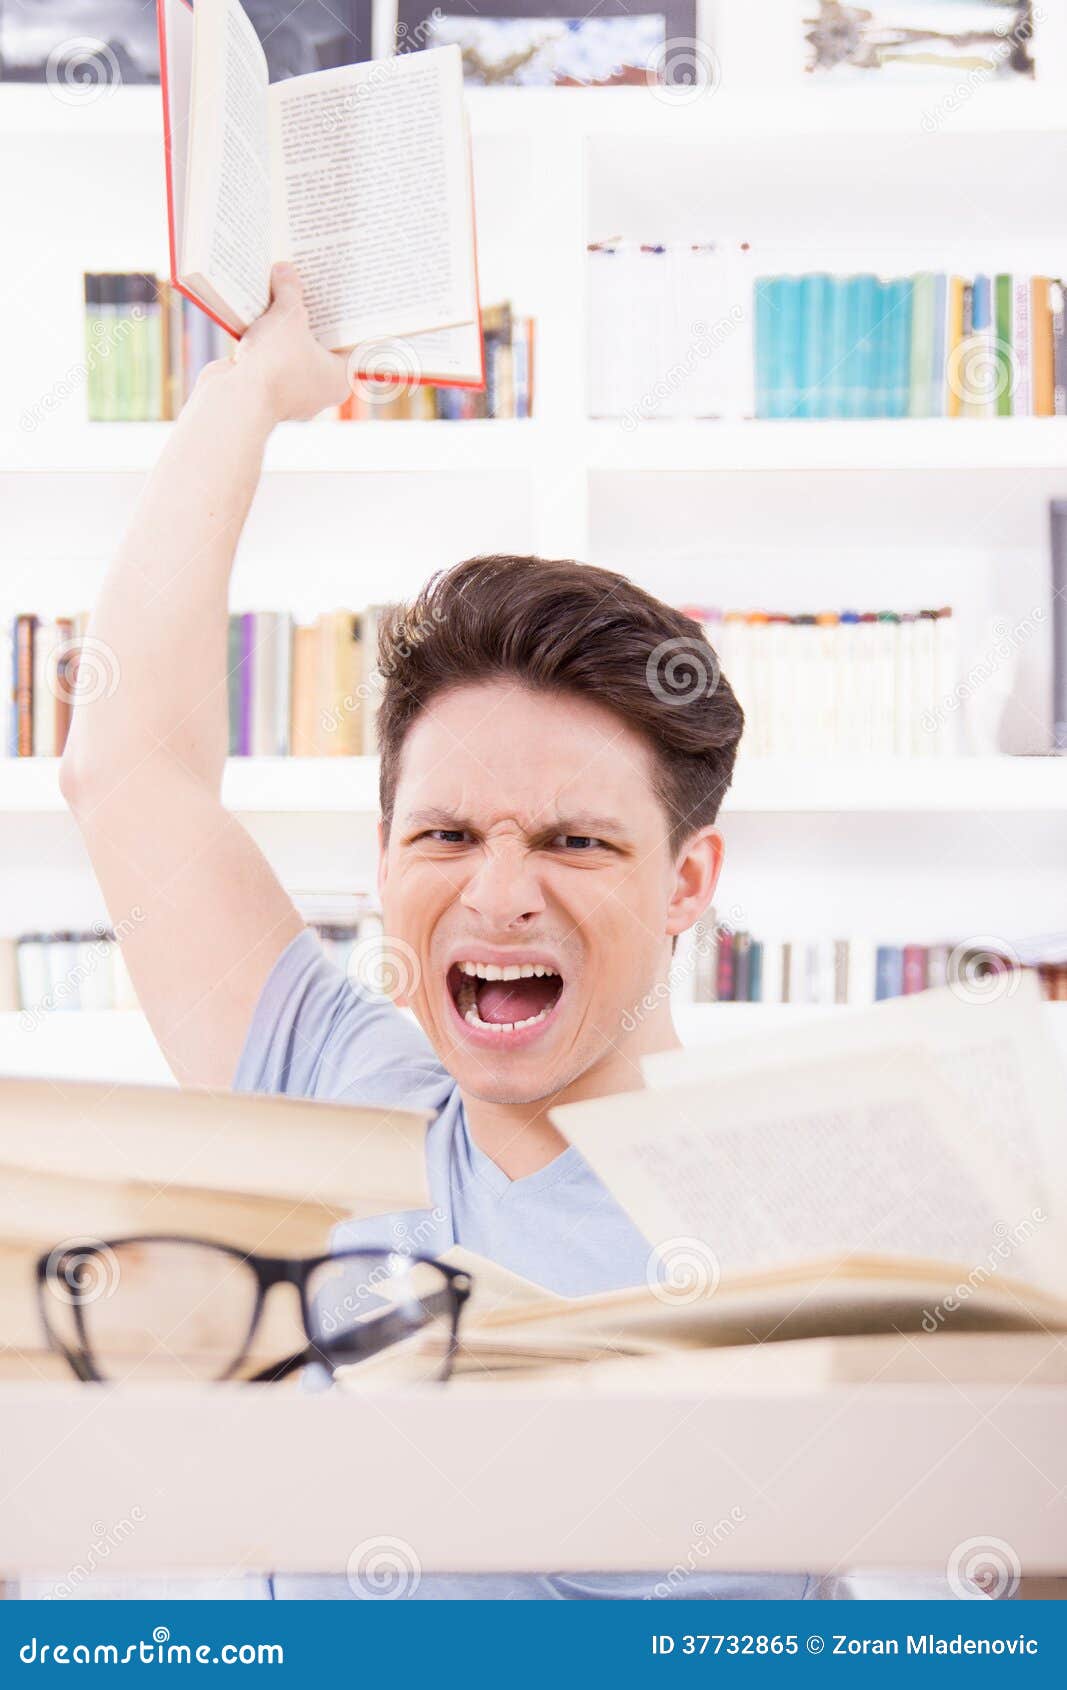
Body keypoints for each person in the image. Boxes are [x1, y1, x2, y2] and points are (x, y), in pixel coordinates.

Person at [59, 266, 962, 1602]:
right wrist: (250, 392)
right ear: (383, 859)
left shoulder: (824, 1226)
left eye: (573, 839)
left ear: (686, 879)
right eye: (444, 834)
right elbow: (127, 765)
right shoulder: (326, 1097)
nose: (497, 892)